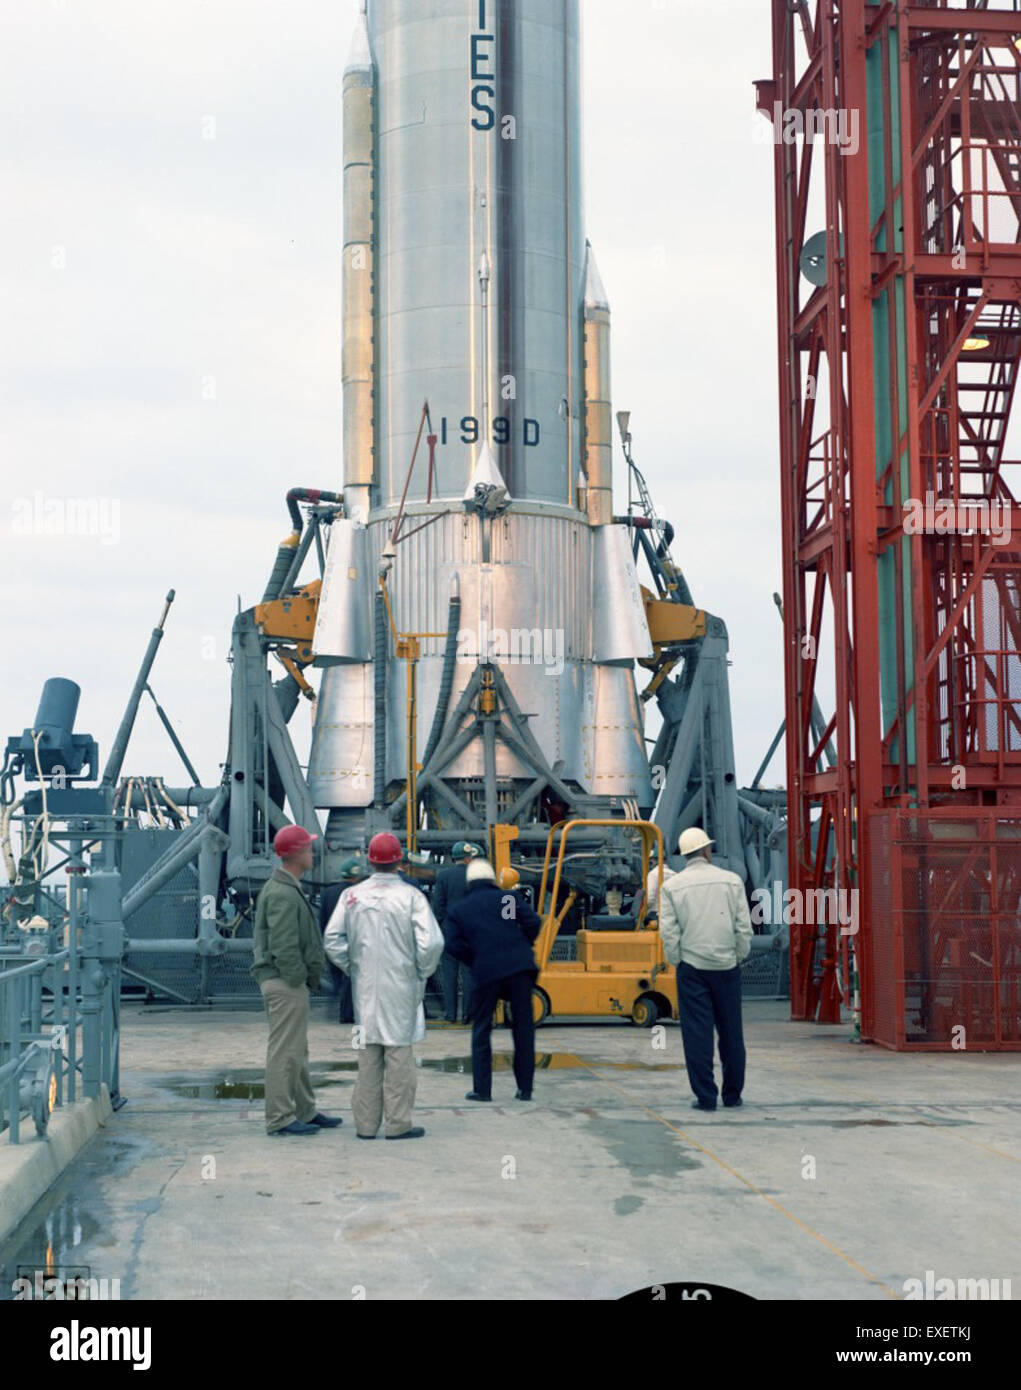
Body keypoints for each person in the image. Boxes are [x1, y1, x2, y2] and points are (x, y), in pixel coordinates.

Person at [324, 832, 444, 1140]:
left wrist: (353, 967)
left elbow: (332, 940)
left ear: (369, 860)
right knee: (399, 1058)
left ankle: (365, 1126)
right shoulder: (411, 897)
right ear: (400, 861)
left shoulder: (351, 896)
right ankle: (398, 1124)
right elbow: (431, 944)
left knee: (367, 1058)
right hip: (401, 989)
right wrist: (421, 973)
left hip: (363, 992)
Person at [251, 825, 343, 1137]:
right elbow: (283, 946)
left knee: (297, 1050)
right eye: (308, 848)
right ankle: (280, 1118)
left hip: (286, 982)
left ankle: (305, 1110)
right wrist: (297, 979)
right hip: (284, 983)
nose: (312, 852)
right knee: (284, 1052)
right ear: (295, 854)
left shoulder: (286, 887)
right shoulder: (281, 892)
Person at [658, 827, 753, 1112]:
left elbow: (669, 932)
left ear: (684, 855)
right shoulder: (732, 881)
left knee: (697, 1034)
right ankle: (733, 1095)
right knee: (732, 1032)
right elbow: (743, 928)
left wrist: (679, 961)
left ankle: (706, 1097)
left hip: (693, 968)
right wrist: (736, 956)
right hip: (726, 966)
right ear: (707, 851)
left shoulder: (671, 887)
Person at [445, 860, 542, 1103]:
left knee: (481, 1030)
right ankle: (525, 1089)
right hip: (519, 969)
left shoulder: (461, 908)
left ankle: (482, 1090)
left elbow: (453, 945)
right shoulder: (506, 900)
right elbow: (531, 923)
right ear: (492, 880)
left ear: (469, 882)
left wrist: (474, 958)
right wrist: (520, 945)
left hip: (486, 972)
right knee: (523, 1030)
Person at [433, 841, 484, 1023]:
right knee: (469, 973)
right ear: (468, 858)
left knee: (449, 974)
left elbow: (438, 906)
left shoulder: (443, 876)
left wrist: (440, 926)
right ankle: (468, 1015)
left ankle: (450, 1015)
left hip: (450, 931)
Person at [319, 855, 365, 1024]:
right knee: (351, 979)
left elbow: (322, 920)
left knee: (337, 977)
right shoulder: (357, 894)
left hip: (332, 944)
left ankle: (338, 1005)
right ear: (356, 875)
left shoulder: (328, 893)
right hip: (352, 943)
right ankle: (346, 1013)